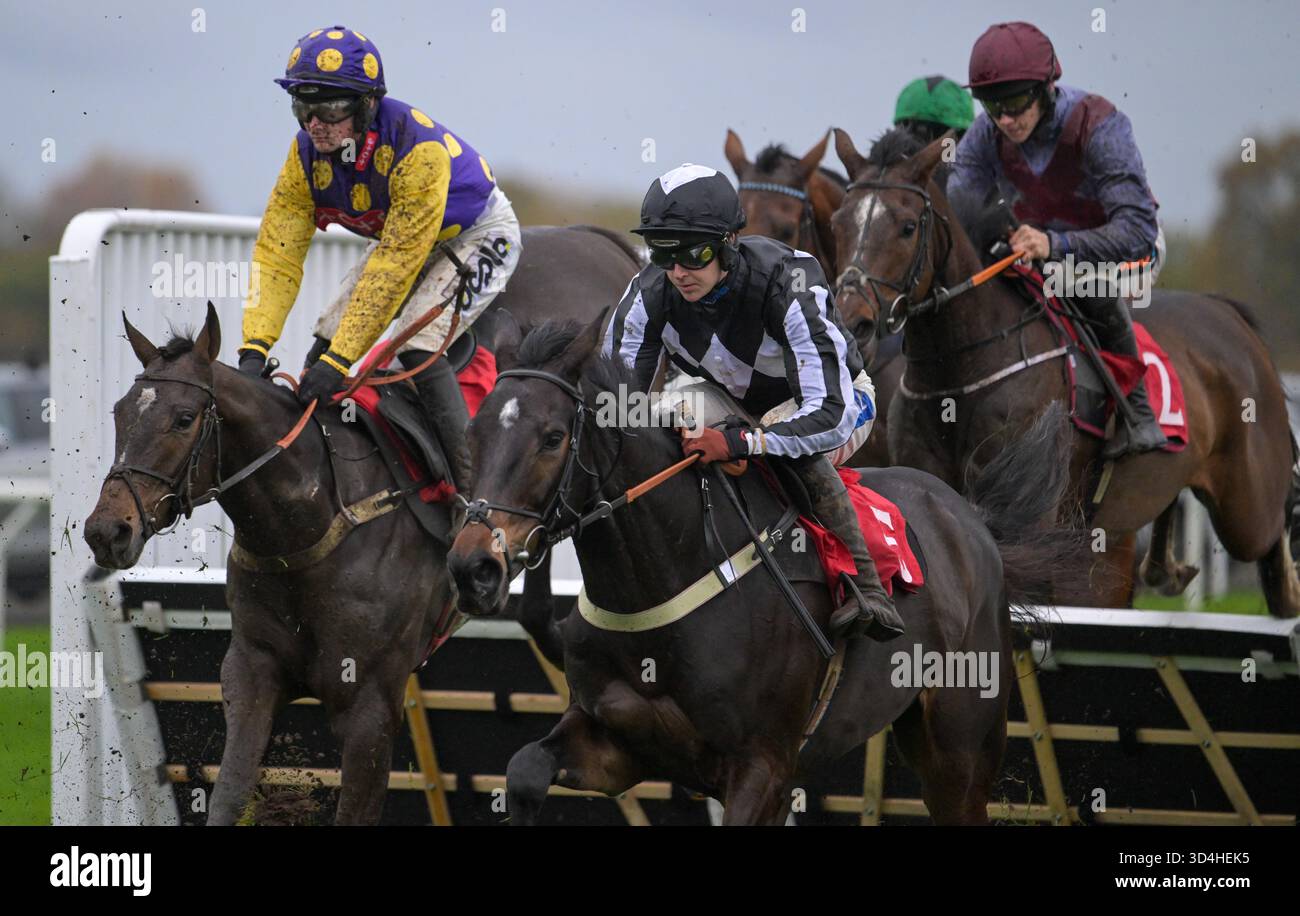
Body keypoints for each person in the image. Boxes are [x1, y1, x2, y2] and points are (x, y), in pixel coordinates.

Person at [604, 164, 905, 641]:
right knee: (656, 428)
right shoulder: (649, 294)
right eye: (664, 253)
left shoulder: (791, 281)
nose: (678, 271)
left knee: (793, 454)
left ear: (728, 242)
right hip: (727, 399)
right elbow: (615, 407)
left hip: (835, 403)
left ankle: (865, 586)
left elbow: (827, 416)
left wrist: (740, 443)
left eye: (694, 253)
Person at [237, 26, 522, 491]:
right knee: (322, 348)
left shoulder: (417, 149)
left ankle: (471, 491)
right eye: (303, 107)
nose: (315, 123)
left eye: (329, 107)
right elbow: (277, 255)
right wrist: (254, 349)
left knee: (417, 346)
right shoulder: (304, 154)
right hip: (404, 236)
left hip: (475, 235)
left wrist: (341, 363)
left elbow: (394, 267)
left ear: (367, 104)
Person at [948, 21, 1167, 458]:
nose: (1005, 119)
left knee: (1080, 281)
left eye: (1013, 102)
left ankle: (1137, 410)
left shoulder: (1099, 124)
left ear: (1048, 87)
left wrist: (1056, 245)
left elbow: (1136, 231)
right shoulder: (985, 134)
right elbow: (959, 206)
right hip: (1040, 249)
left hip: (1126, 251)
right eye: (992, 105)